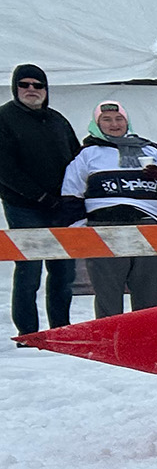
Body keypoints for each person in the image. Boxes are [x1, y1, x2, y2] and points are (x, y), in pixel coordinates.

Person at [59, 101, 157, 317]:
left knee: (150, 293)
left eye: (119, 119)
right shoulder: (88, 154)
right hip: (105, 227)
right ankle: (109, 341)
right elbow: (71, 193)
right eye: (106, 120)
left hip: (148, 224)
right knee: (108, 294)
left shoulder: (149, 150)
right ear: (97, 124)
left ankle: (146, 340)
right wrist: (81, 230)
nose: (114, 124)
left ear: (127, 122)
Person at [0, 64, 81, 333]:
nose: (31, 90)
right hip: (24, 207)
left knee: (63, 272)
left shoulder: (58, 120)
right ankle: (29, 332)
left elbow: (76, 158)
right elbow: (5, 168)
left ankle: (60, 329)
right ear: (15, 88)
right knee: (29, 271)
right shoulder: (4, 118)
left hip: (60, 208)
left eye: (38, 85)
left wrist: (72, 197)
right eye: (24, 84)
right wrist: (40, 196)